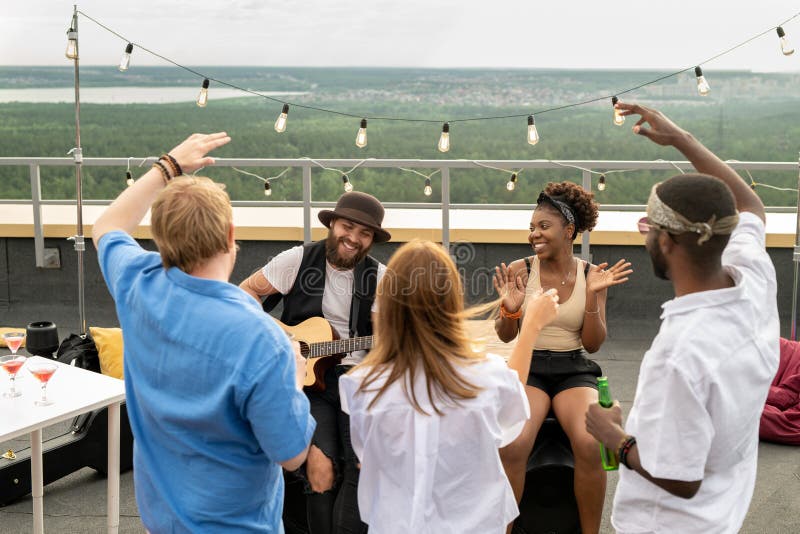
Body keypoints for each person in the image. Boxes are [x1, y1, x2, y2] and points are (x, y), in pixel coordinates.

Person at [92, 133, 315, 533]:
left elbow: (107, 225)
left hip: (163, 522)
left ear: (161, 238)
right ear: (230, 234)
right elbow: (292, 454)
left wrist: (168, 167)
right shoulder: (262, 340)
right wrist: (295, 381)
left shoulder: (138, 284)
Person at [585, 102, 780, 533]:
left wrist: (614, 437)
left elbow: (680, 478)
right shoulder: (754, 277)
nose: (645, 235)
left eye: (649, 227)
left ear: (667, 242)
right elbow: (751, 204)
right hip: (722, 516)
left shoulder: (679, 354)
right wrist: (681, 140)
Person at [339, 239, 560, 533]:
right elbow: (511, 405)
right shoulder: (485, 375)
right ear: (452, 300)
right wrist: (530, 326)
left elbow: (368, 457)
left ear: (388, 304)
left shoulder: (362, 386)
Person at [239, 191, 390, 534]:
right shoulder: (296, 260)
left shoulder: (379, 277)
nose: (353, 238)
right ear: (332, 224)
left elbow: (385, 345)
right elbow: (246, 293)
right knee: (320, 468)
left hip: (357, 379)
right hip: (306, 379)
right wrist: (279, 339)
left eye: (364, 233)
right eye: (347, 227)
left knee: (362, 466)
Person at [493, 181, 632, 534]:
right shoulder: (521, 269)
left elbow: (593, 344)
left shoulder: (590, 274)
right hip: (530, 365)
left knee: (592, 442)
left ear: (569, 231)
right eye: (532, 227)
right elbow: (505, 335)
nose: (534, 234)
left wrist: (593, 298)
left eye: (543, 226)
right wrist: (510, 310)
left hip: (573, 367)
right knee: (513, 443)